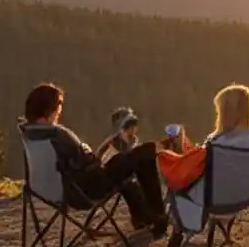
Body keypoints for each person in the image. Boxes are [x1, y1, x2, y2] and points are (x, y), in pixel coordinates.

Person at [20, 83, 168, 238]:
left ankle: (143, 215)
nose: (60, 109)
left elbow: (73, 162)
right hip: (87, 189)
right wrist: (97, 157)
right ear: (50, 108)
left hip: (54, 190)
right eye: (59, 104)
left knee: (123, 162)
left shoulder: (31, 132)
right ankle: (157, 215)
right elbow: (87, 162)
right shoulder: (57, 134)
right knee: (146, 151)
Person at [156, 83, 249, 247]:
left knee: (175, 183)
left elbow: (190, 170)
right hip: (247, 195)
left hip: (217, 201)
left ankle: (178, 228)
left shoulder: (217, 143)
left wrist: (165, 155)